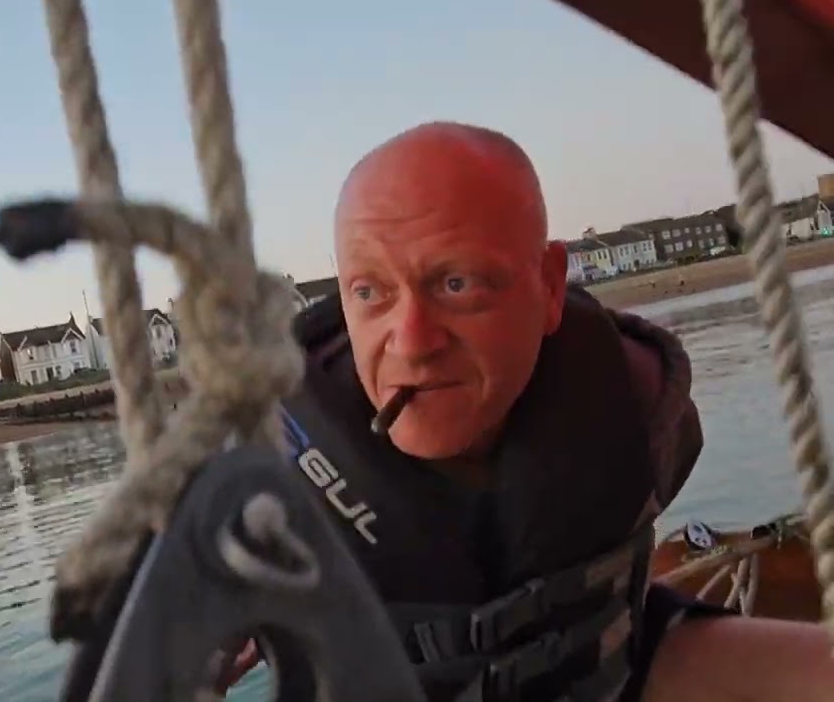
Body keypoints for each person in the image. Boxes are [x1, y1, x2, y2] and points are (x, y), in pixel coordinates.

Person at [214, 122, 834, 701]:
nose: (412, 341)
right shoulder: (269, 467)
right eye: (369, 292)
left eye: (456, 284)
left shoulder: (632, 420)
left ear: (548, 286)